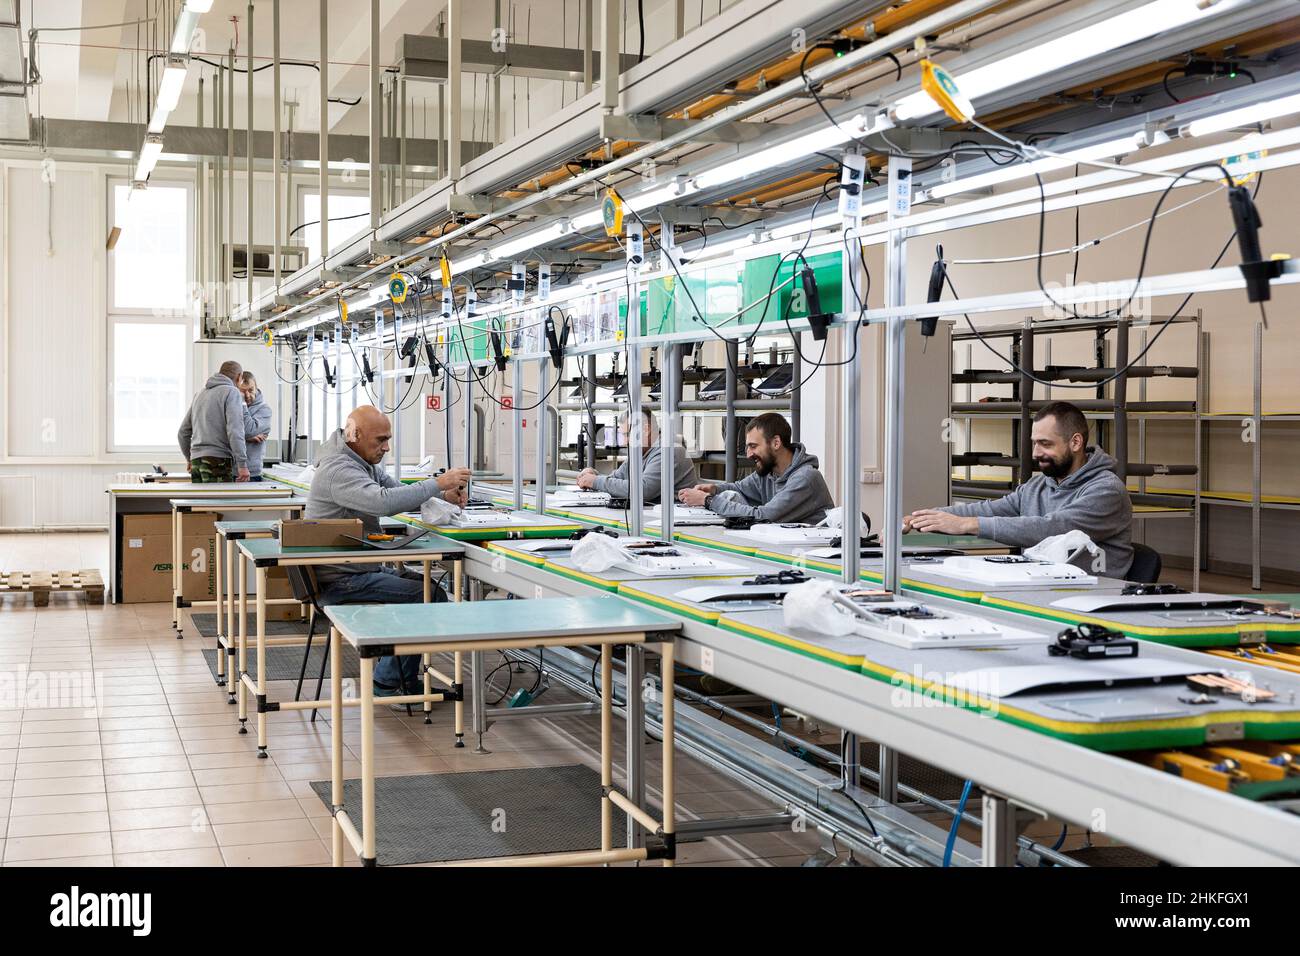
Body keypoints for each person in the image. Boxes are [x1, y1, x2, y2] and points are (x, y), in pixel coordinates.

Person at [306, 406, 472, 699]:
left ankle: (393, 674)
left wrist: (440, 494)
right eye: (380, 440)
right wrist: (437, 482)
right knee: (427, 595)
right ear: (354, 434)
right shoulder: (339, 469)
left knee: (422, 585)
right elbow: (382, 502)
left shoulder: (359, 461)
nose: (386, 447)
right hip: (341, 579)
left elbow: (394, 492)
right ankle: (390, 681)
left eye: (388, 439)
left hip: (356, 568)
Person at [906, 401, 1133, 577]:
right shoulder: (1037, 485)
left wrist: (968, 525)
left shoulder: (1106, 490)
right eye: (1035, 443)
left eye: (1045, 444)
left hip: (1094, 592)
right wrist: (920, 519)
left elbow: (1055, 528)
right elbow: (990, 509)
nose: (1035, 453)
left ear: (1075, 443)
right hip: (1041, 583)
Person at [677, 412, 834, 524]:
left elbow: (763, 516)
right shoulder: (768, 472)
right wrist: (714, 490)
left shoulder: (805, 478)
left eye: (753, 446)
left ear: (776, 443)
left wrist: (708, 500)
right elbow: (740, 488)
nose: (748, 454)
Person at [574, 409, 699, 503]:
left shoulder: (669, 450)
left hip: (673, 522)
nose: (625, 442)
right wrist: (592, 476)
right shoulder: (641, 451)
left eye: (627, 434)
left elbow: (643, 490)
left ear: (646, 429)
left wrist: (595, 481)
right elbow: (616, 479)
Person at [178, 360, 250, 483]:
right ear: (239, 377)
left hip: (196, 461)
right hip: (218, 461)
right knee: (219, 502)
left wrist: (189, 458)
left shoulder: (200, 394)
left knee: (200, 502)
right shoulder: (232, 392)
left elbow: (183, 432)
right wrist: (242, 465)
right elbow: (235, 430)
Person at [238, 372, 272, 482]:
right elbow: (222, 433)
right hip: (230, 469)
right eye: (243, 392)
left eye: (251, 390)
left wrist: (236, 434)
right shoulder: (230, 407)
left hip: (252, 472)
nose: (247, 395)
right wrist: (247, 437)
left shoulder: (264, 410)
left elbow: (249, 430)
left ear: (256, 388)